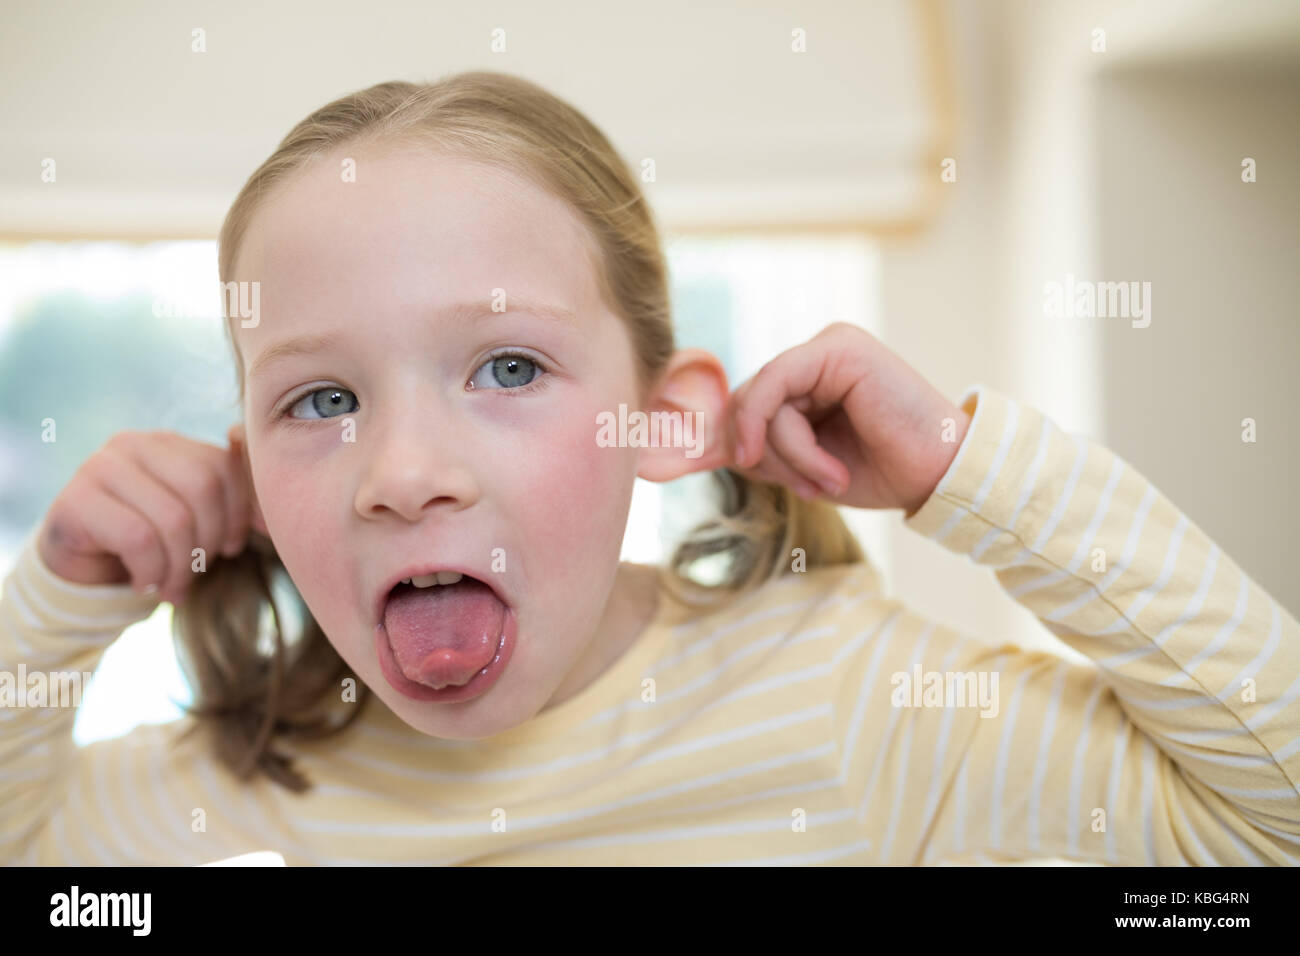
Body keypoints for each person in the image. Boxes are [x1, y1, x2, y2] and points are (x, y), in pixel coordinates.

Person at [1, 72, 1296, 866]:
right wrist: (58, 598)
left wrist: (969, 471)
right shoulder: (269, 773)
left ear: (665, 421)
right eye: (322, 399)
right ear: (255, 490)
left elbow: (1272, 819)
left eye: (507, 369)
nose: (402, 474)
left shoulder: (844, 699)